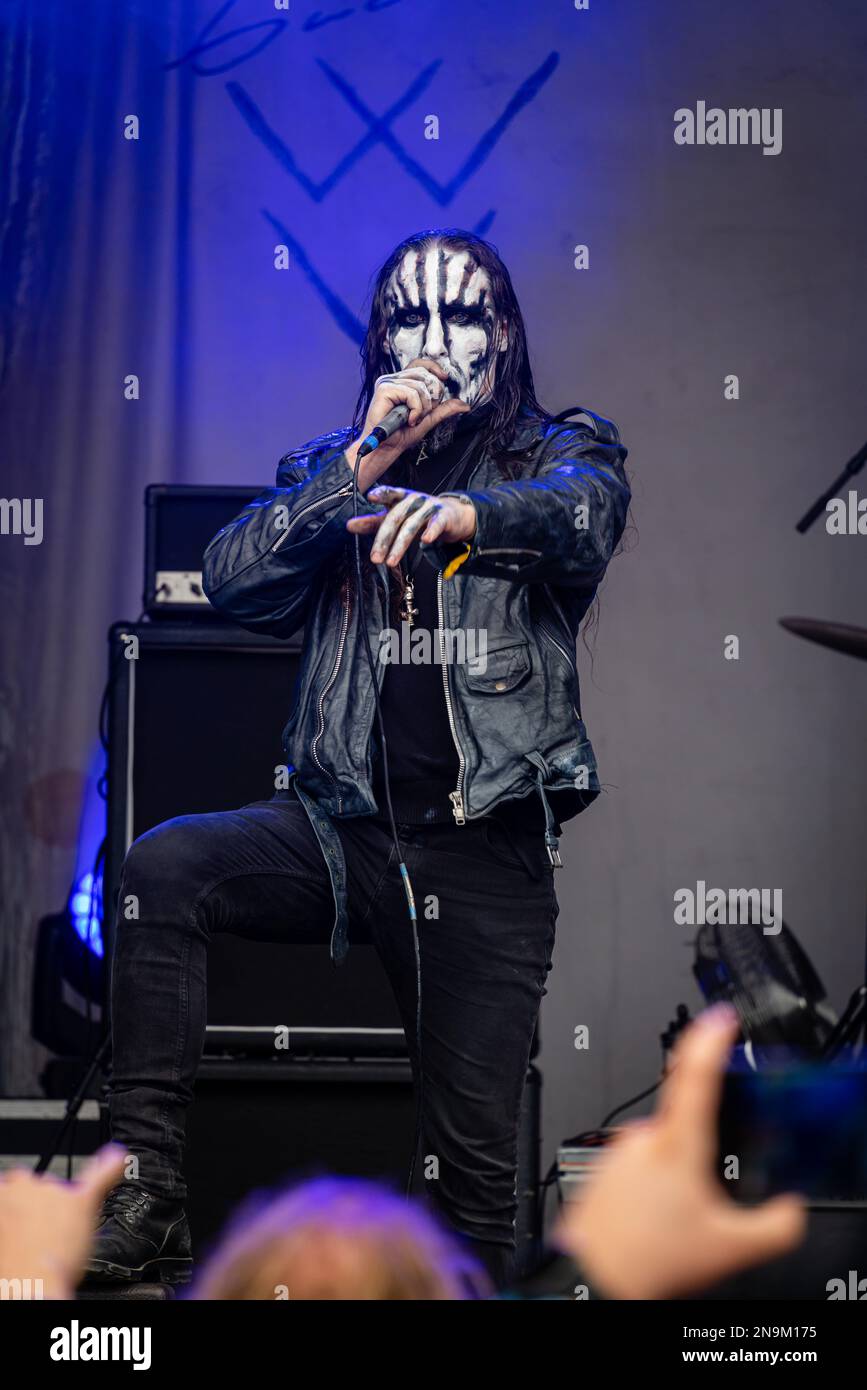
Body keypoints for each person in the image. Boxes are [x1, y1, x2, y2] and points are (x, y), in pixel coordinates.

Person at [88, 228, 631, 1289]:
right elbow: (237, 581)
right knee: (162, 867)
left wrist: (467, 513)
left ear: (506, 333)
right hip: (341, 834)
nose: (435, 341)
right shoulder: (335, 465)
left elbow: (587, 517)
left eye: (463, 315)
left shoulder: (558, 452)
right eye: (409, 320)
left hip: (485, 853)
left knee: (472, 1192)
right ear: (382, 344)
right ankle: (145, 1191)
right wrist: (368, 461)